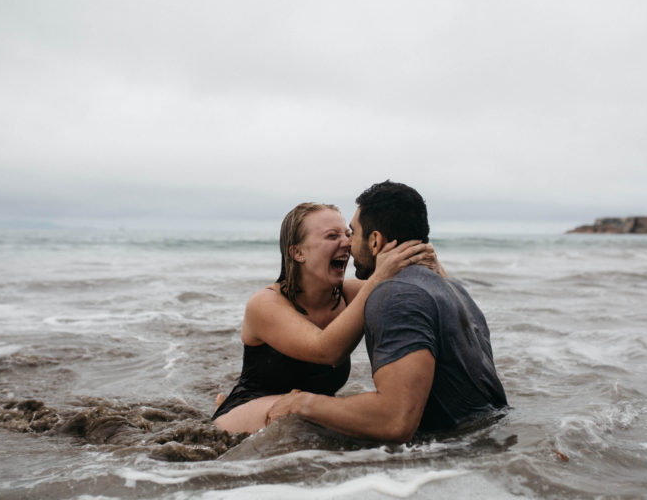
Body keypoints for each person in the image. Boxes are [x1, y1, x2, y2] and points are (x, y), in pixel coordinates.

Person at [266, 181, 508, 442]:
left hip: (453, 454)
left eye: (352, 233)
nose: (348, 243)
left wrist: (303, 403)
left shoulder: (397, 294)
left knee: (294, 432)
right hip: (490, 444)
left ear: (375, 241)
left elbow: (394, 421)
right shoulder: (453, 290)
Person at [212, 202, 439, 433]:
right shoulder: (265, 304)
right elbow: (326, 351)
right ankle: (223, 410)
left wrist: (431, 265)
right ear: (298, 253)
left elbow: (423, 295)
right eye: (332, 236)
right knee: (297, 421)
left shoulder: (351, 295)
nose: (347, 243)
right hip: (253, 407)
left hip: (307, 412)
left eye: (348, 234)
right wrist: (378, 277)